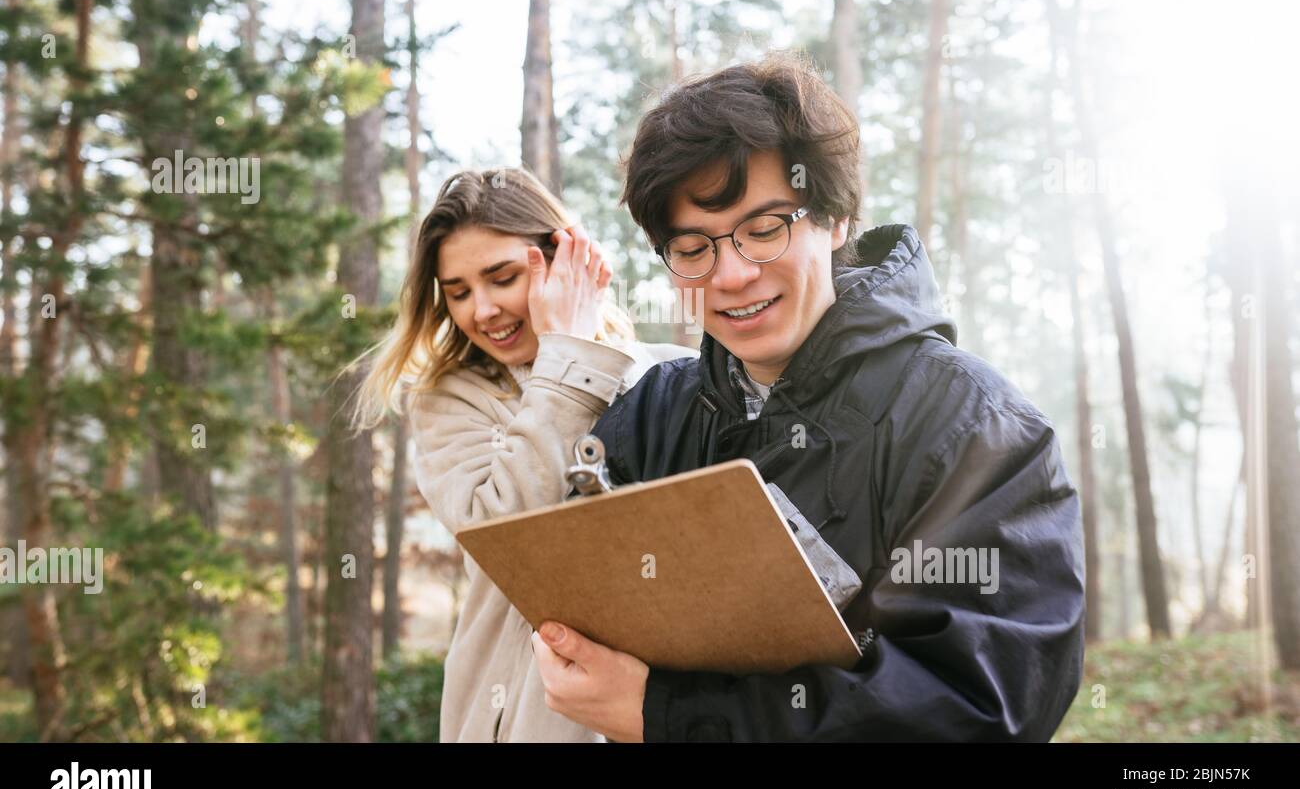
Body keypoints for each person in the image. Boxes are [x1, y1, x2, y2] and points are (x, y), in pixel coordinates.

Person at [529, 53, 1086, 742]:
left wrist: (674, 717)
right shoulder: (647, 418)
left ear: (836, 217)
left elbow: (979, 707)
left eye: (765, 229)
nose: (731, 275)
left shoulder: (975, 427)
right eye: (694, 247)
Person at [352, 167, 694, 742]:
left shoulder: (668, 375)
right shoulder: (452, 399)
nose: (481, 310)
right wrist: (568, 365)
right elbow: (505, 532)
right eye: (458, 292)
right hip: (521, 719)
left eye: (501, 277)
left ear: (565, 260)